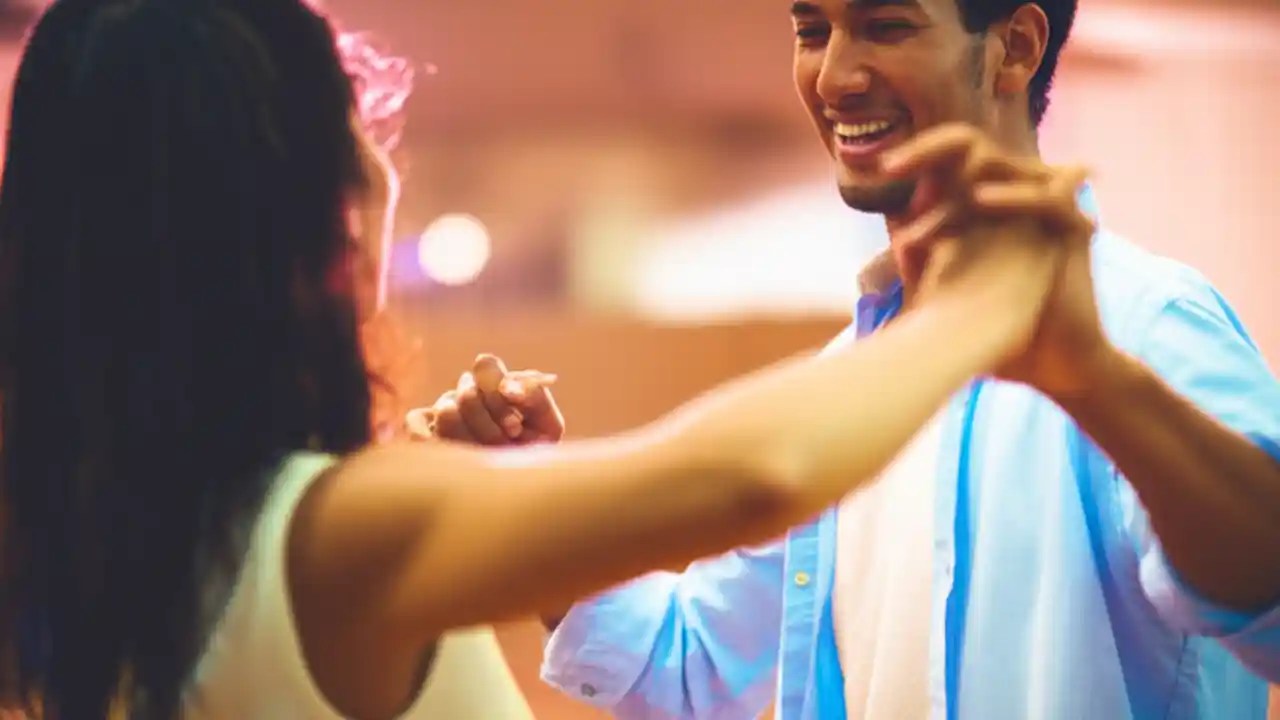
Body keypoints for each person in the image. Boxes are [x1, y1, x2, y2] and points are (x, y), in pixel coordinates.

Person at [0, 1, 1088, 718]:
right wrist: (982, 300)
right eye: (359, 130)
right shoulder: (341, 528)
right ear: (312, 214)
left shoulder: (66, 537)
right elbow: (748, 476)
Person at [426, 0, 1280, 717]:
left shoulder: (1148, 323)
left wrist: (1096, 379)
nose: (833, 75)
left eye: (885, 25)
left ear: (1014, 48)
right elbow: (686, 666)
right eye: (811, 29)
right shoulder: (854, 381)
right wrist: (521, 478)